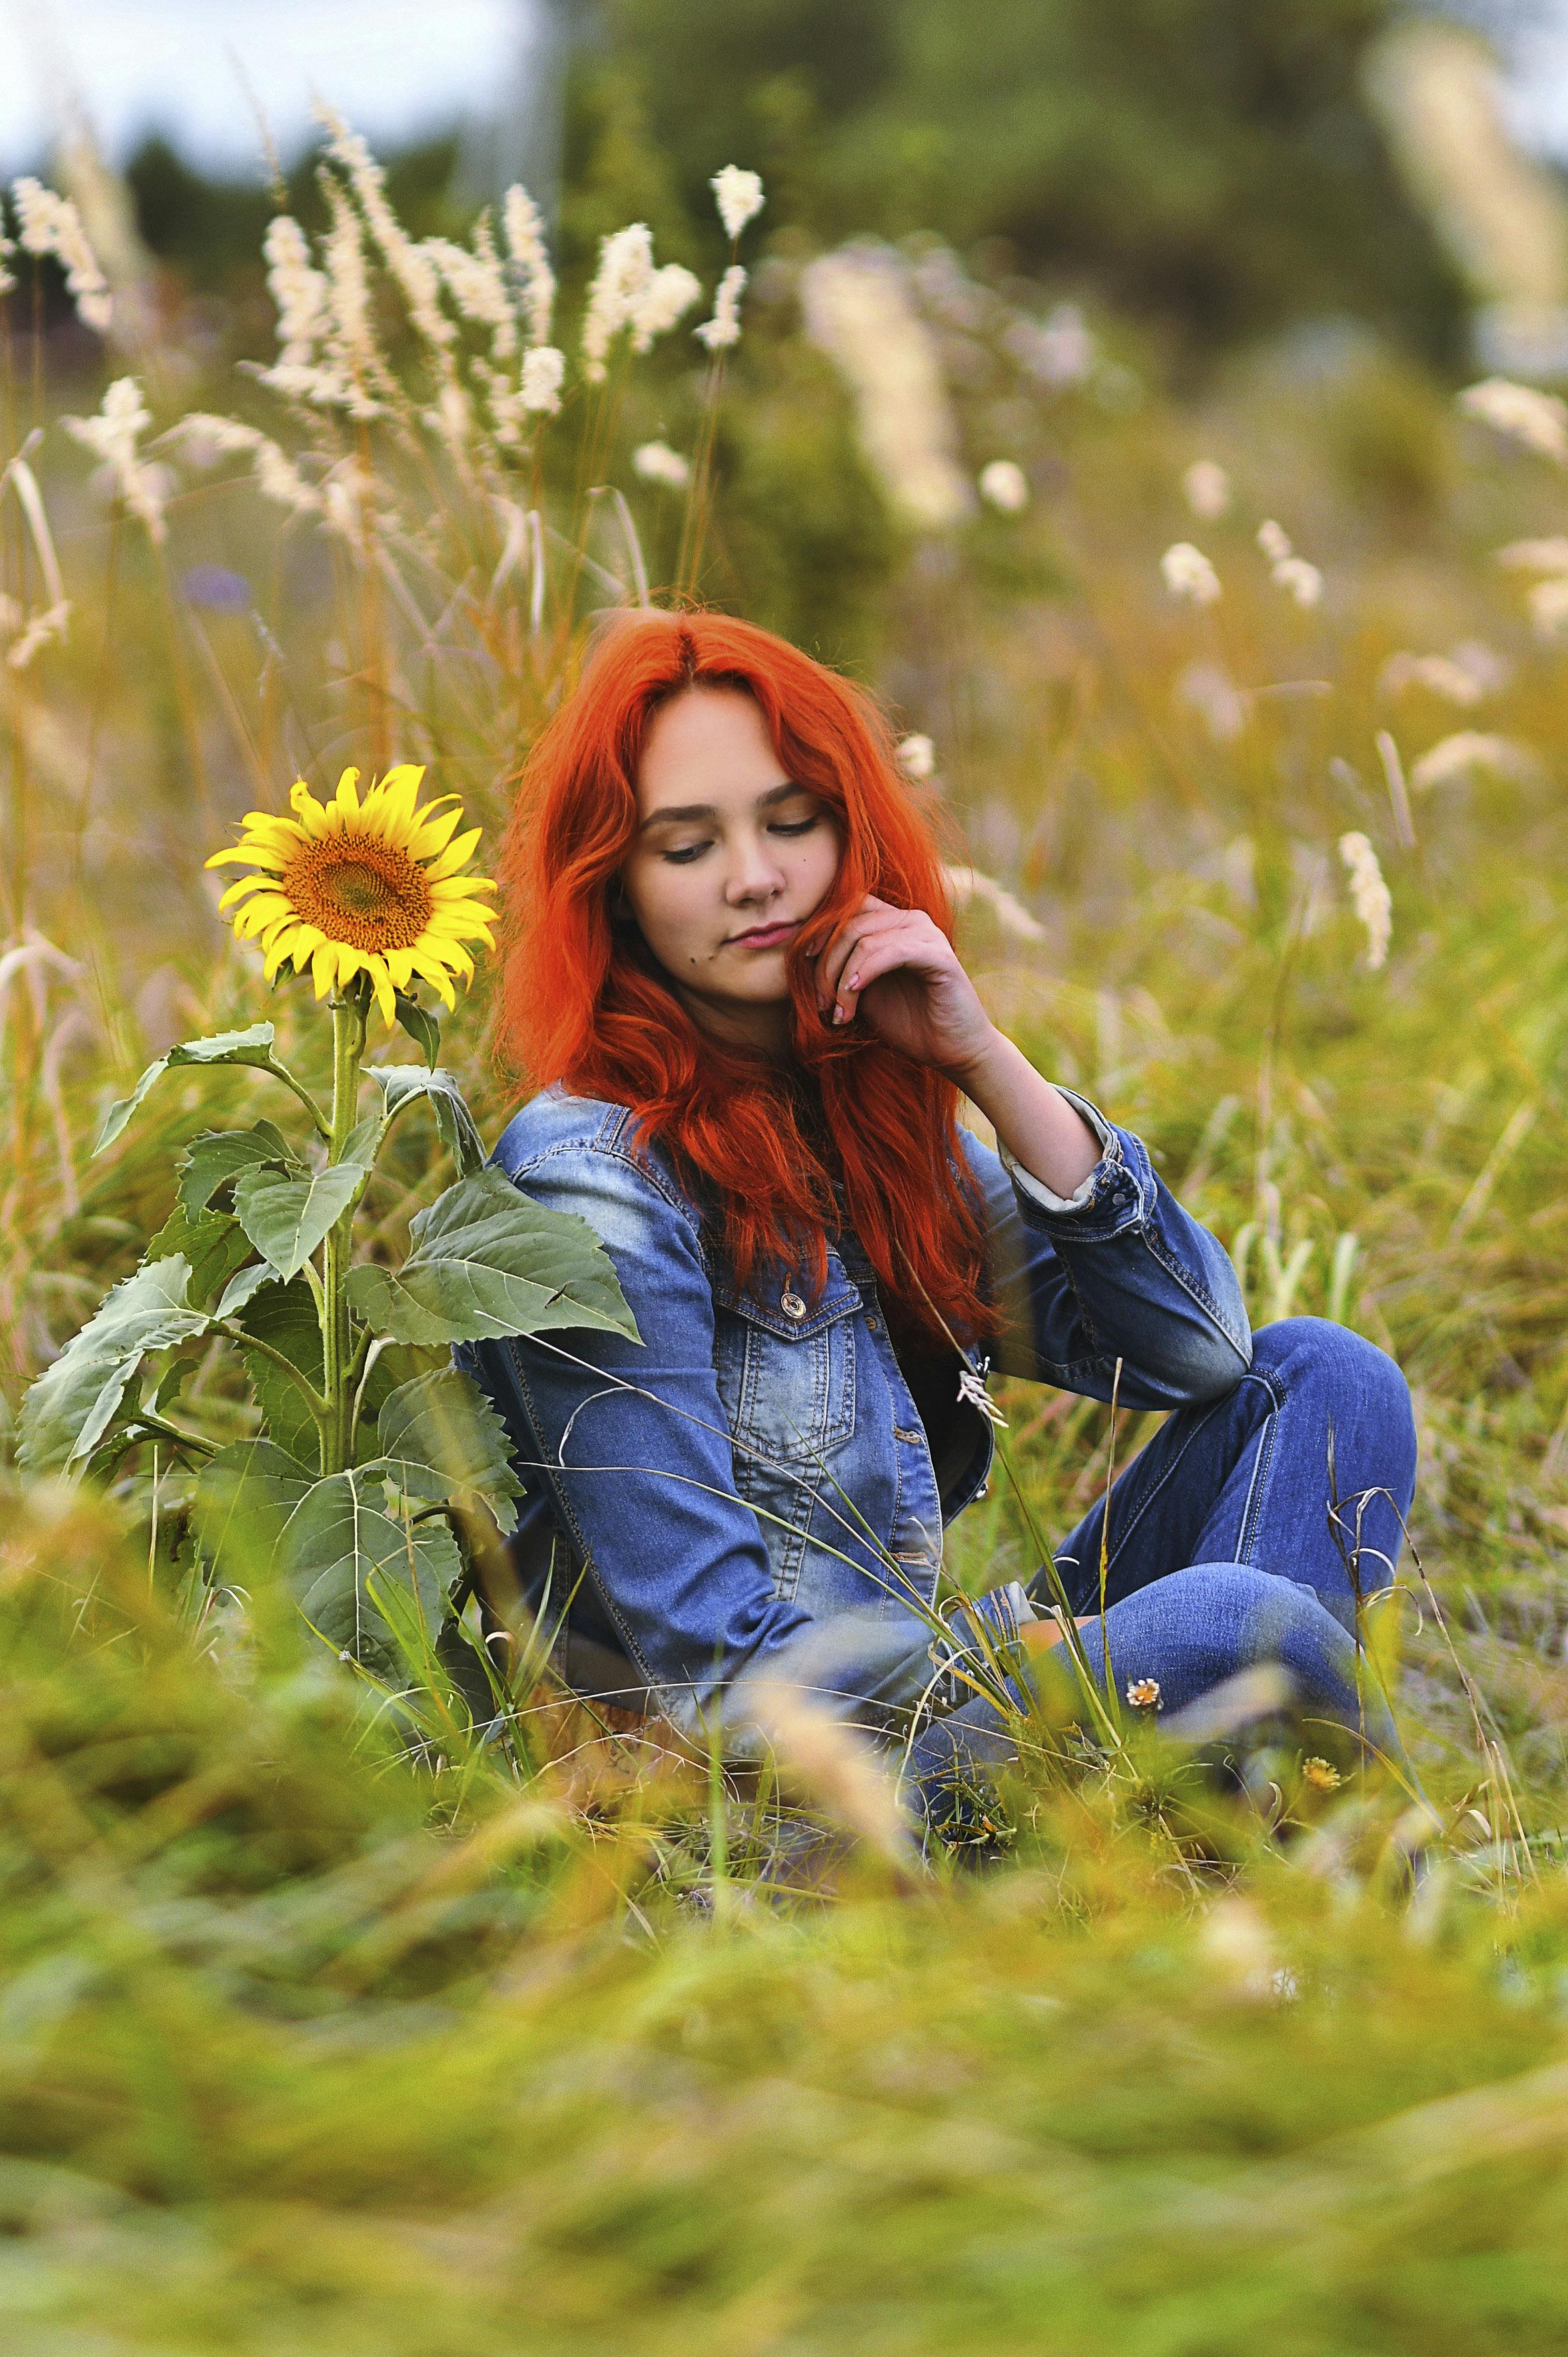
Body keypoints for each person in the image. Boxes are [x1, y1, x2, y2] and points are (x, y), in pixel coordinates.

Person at [466, 610, 1415, 1828]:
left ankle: (1223, 1849)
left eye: (791, 821)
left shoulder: (858, 1125)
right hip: (782, 1805)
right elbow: (715, 1682)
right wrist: (1016, 1645)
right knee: (1231, 1626)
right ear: (620, 890)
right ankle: (1379, 1893)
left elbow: (1198, 1355)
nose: (755, 875)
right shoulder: (596, 1181)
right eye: (687, 846)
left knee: (1324, 1383)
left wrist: (982, 1061)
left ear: (851, 831)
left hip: (935, 1715)